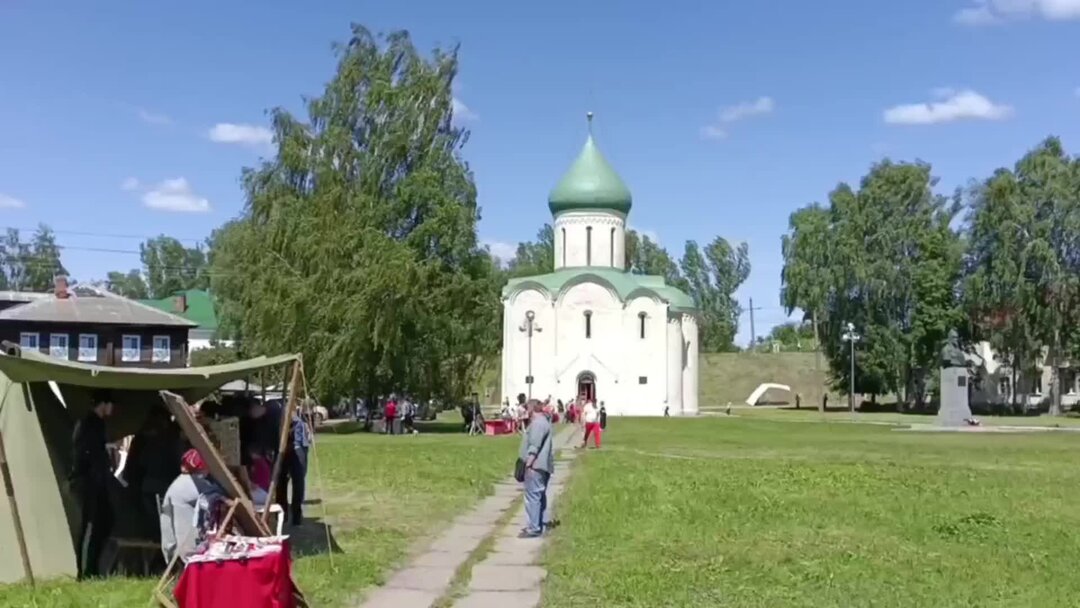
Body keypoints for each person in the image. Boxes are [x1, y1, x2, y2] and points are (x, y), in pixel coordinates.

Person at [70, 388, 116, 579]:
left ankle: (92, 568)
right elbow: (84, 455)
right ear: (104, 405)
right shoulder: (89, 424)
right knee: (90, 526)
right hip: (91, 482)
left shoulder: (95, 424)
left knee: (103, 523)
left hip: (97, 481)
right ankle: (84, 571)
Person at [124, 408, 183, 539]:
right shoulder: (171, 439)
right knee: (167, 525)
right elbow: (177, 463)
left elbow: (135, 465)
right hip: (165, 486)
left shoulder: (142, 438)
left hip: (146, 485)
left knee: (152, 524)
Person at [160, 448, 219, 564]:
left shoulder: (181, 481)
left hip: (173, 544)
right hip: (189, 550)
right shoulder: (190, 484)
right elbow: (216, 495)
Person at [518, 400, 554, 538]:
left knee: (532, 497)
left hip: (536, 465)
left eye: (527, 408)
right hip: (542, 465)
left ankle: (534, 527)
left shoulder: (538, 424)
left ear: (532, 409)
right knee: (539, 496)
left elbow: (534, 446)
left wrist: (528, 463)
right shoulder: (544, 422)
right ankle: (539, 524)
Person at [276, 410, 311, 526]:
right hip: (284, 450)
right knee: (282, 482)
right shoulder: (281, 417)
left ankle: (295, 516)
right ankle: (283, 514)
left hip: (296, 449)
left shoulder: (297, 421)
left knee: (297, 482)